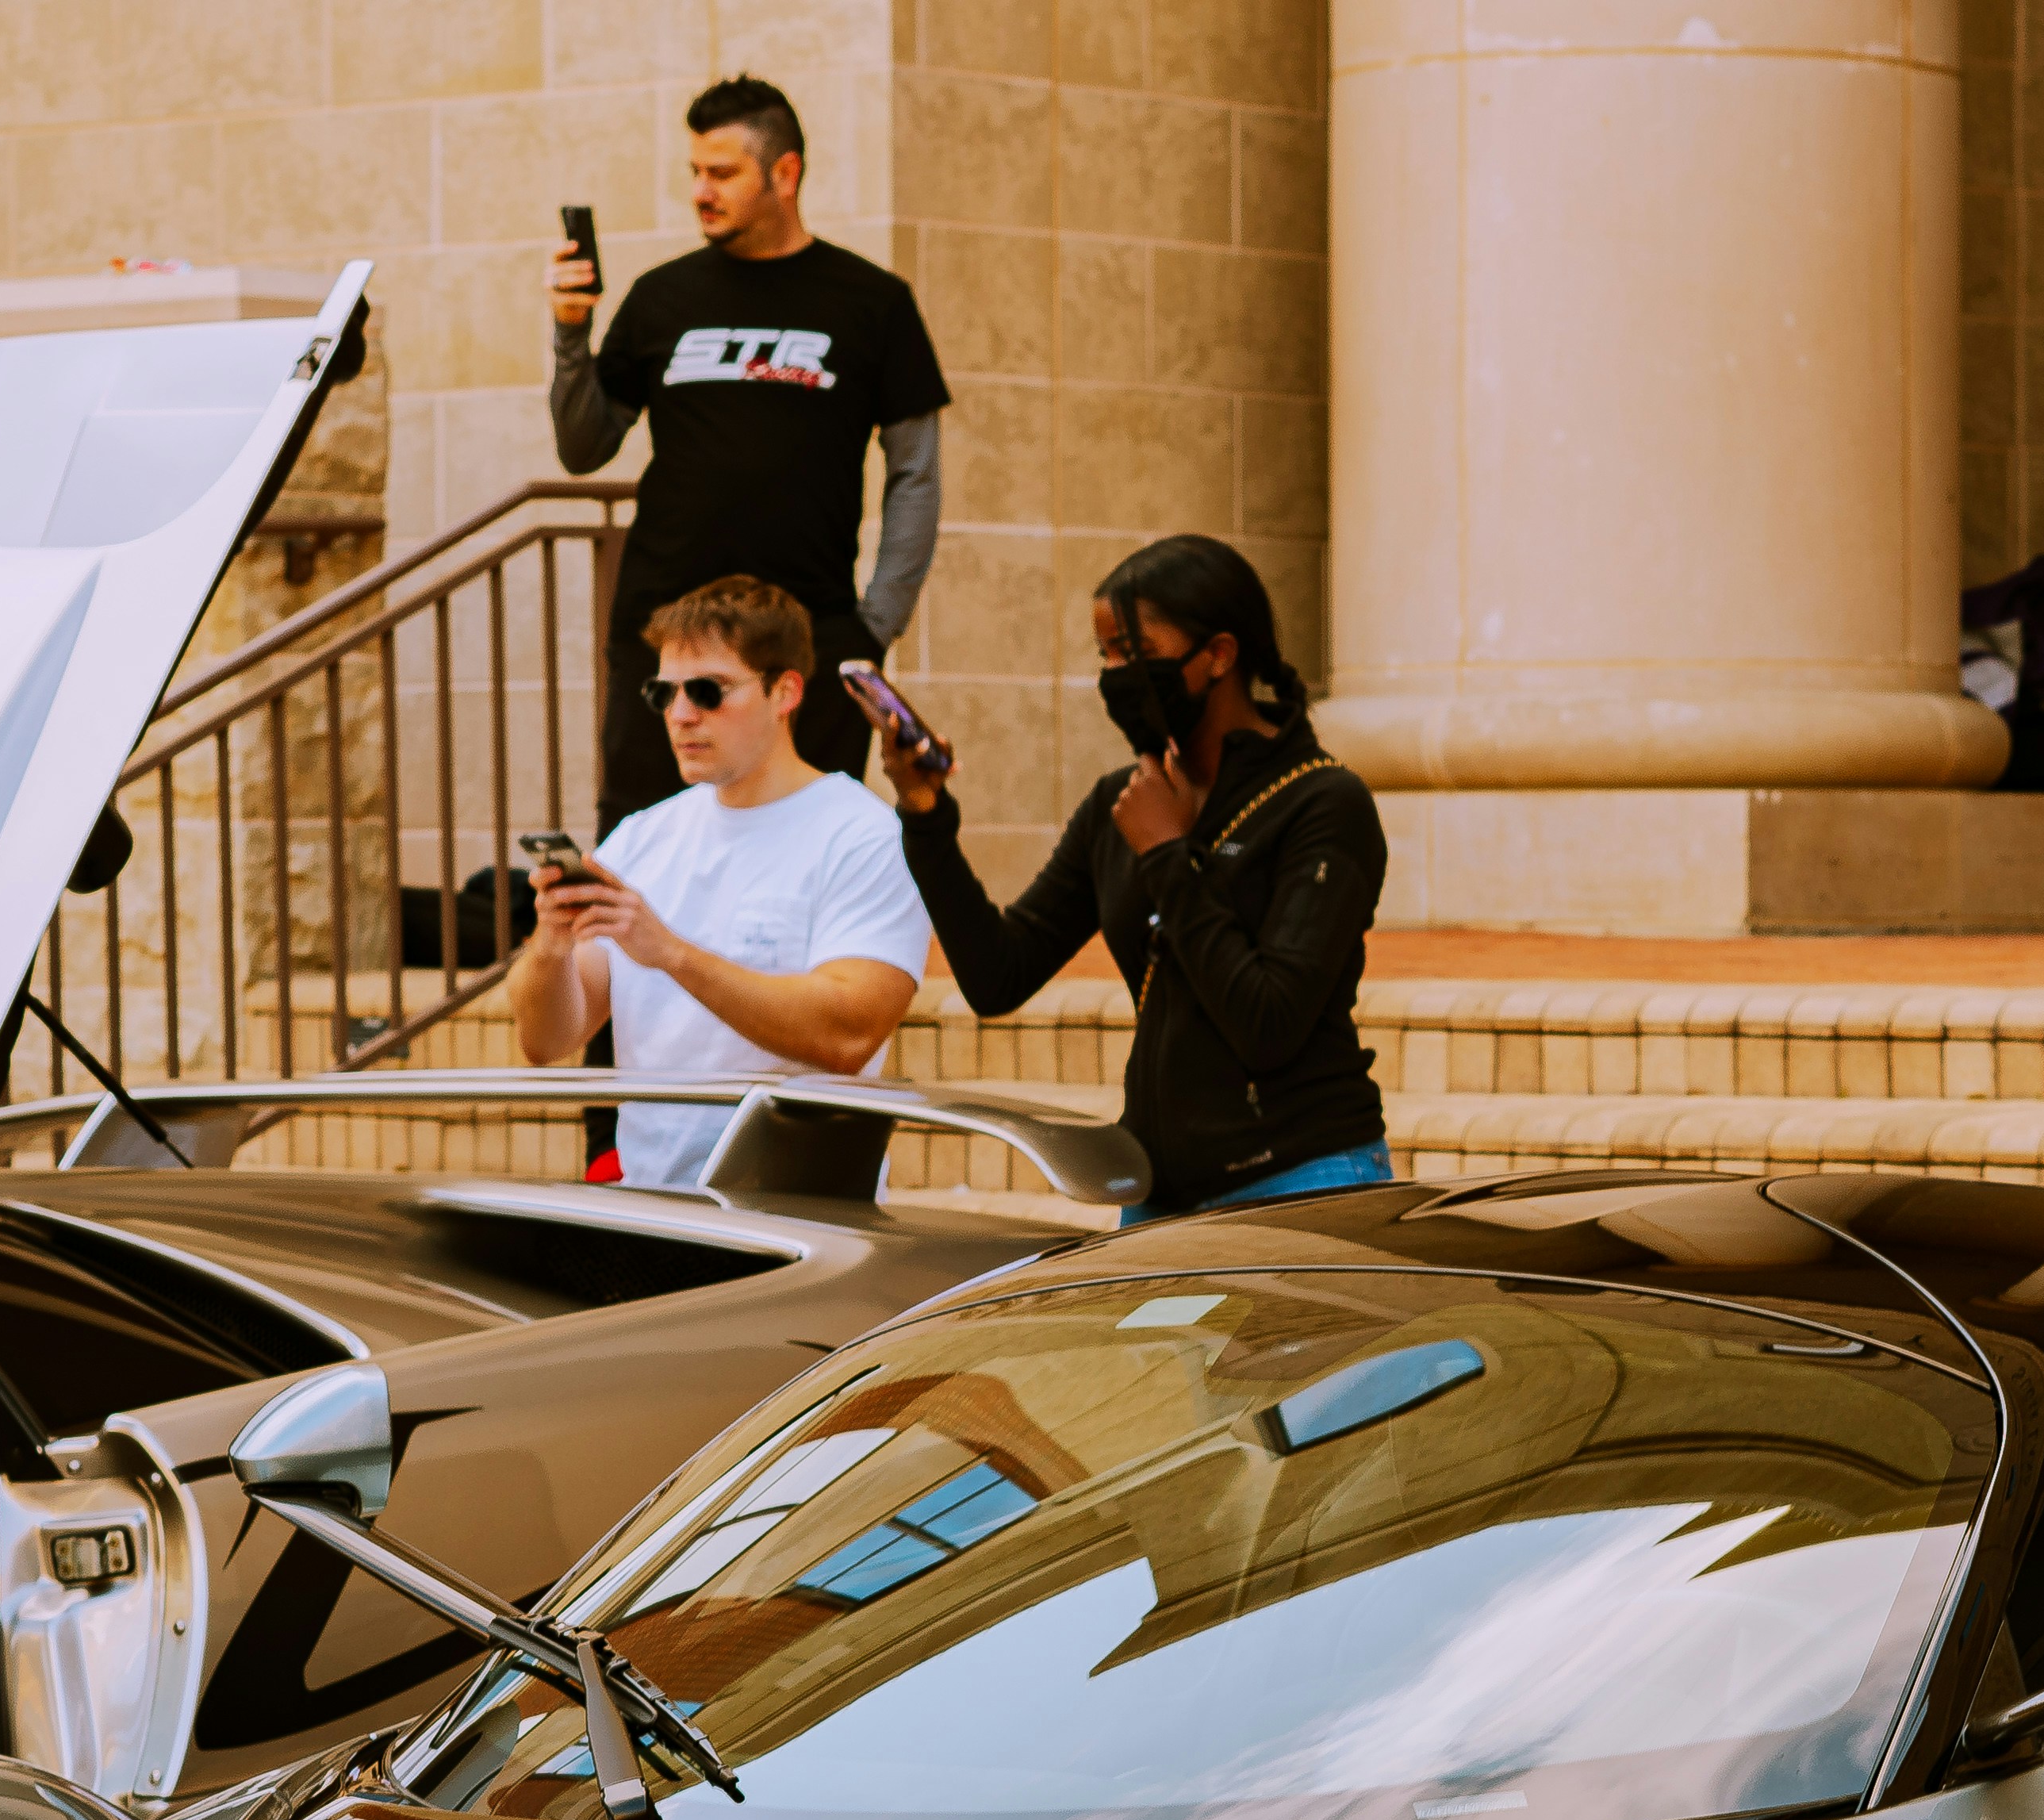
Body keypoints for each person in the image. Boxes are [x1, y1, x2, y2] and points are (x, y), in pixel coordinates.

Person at [885, 536, 1390, 1222]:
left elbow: (1269, 1022)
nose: (1116, 675)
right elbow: (997, 975)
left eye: (1137, 652)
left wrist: (1165, 856)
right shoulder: (1121, 805)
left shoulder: (1322, 802)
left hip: (1302, 1175)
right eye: (1107, 656)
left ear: (1218, 654)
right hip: (1158, 1194)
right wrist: (925, 814)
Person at [550, 76, 947, 820]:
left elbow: (916, 474)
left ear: (785, 174)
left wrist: (874, 625)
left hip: (808, 640)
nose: (701, 191)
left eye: (723, 173)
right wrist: (571, 330)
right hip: (662, 639)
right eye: (695, 172)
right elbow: (583, 446)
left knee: (805, 846)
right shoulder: (661, 297)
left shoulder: (872, 302)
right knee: (643, 849)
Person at [511, 577, 930, 1188]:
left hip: (806, 1222)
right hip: (653, 1209)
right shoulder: (641, 836)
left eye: (708, 690)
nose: (682, 715)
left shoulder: (862, 834)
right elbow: (546, 1041)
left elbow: (848, 1033)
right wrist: (549, 947)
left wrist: (673, 954)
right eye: (665, 693)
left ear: (785, 690)